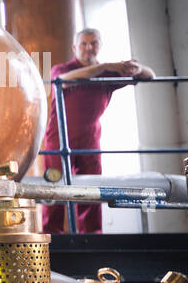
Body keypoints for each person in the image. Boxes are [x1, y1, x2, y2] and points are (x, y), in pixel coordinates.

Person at [41, 27, 154, 233]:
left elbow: (150, 75)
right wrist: (108, 66)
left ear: (100, 46)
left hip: (90, 142)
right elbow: (65, 80)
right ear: (74, 47)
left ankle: (92, 237)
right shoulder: (62, 69)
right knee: (54, 189)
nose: (88, 48)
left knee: (92, 192)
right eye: (83, 44)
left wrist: (135, 67)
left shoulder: (107, 74)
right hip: (58, 141)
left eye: (93, 43)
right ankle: (52, 238)